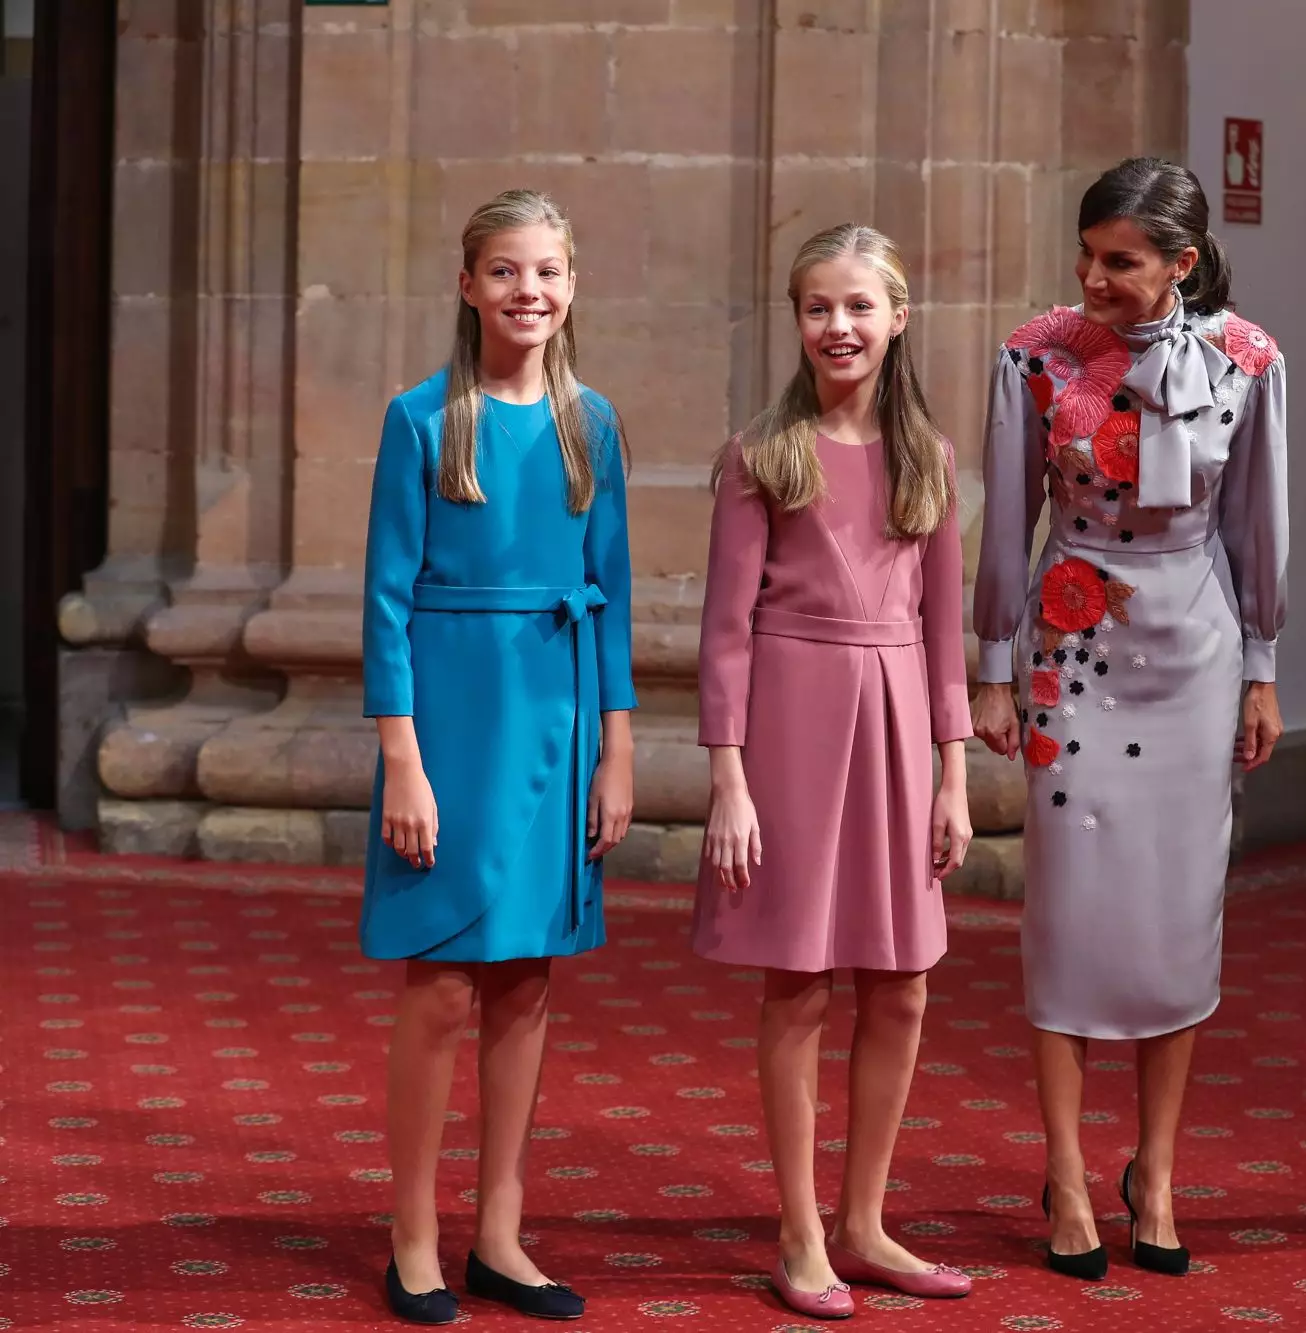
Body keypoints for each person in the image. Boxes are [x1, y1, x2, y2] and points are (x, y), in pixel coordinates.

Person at [971, 157, 1289, 1280]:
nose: (1092, 278)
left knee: (1174, 917)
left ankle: (1153, 1169)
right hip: (1070, 652)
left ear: (1179, 265)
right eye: (1087, 255)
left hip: (1195, 655)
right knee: (1065, 913)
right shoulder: (1031, 351)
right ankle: (1062, 1169)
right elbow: (1004, 521)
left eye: (1120, 261)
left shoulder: (1249, 360)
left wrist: (1260, 667)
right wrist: (992, 666)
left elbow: (1255, 524)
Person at [360, 189, 636, 1322]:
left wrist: (618, 754)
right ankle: (412, 1231)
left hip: (559, 715)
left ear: (572, 288)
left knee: (527, 979)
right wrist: (401, 759)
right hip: (453, 719)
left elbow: (611, 596)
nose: (530, 292)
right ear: (468, 286)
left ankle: (501, 1232)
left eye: (549, 274)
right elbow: (382, 599)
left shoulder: (594, 424)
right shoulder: (423, 418)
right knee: (438, 987)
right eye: (506, 273)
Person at [695, 223, 976, 1320]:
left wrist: (953, 775)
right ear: (797, 320)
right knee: (800, 979)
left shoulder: (931, 459)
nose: (837, 326)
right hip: (792, 723)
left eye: (858, 306)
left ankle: (864, 1220)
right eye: (818, 307)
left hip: (902, 721)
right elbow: (723, 631)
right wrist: (728, 778)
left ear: (897, 317)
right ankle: (800, 1228)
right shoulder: (762, 453)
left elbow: (943, 629)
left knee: (901, 980)